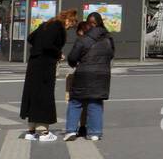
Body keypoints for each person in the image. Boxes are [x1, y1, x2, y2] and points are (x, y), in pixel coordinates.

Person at [21, 9, 79, 141]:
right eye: (71, 24)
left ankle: (31, 130)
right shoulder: (57, 27)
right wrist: (58, 53)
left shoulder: (46, 24)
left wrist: (37, 48)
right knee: (44, 95)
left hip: (34, 63)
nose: (70, 27)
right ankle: (44, 132)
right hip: (45, 65)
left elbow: (31, 38)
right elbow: (48, 44)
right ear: (68, 19)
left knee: (33, 94)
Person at [64, 12, 115, 142]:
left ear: (89, 23)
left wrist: (75, 63)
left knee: (75, 101)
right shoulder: (109, 39)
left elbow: (72, 58)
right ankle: (95, 133)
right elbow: (111, 55)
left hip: (84, 74)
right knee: (96, 102)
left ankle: (71, 131)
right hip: (102, 74)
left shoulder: (83, 39)